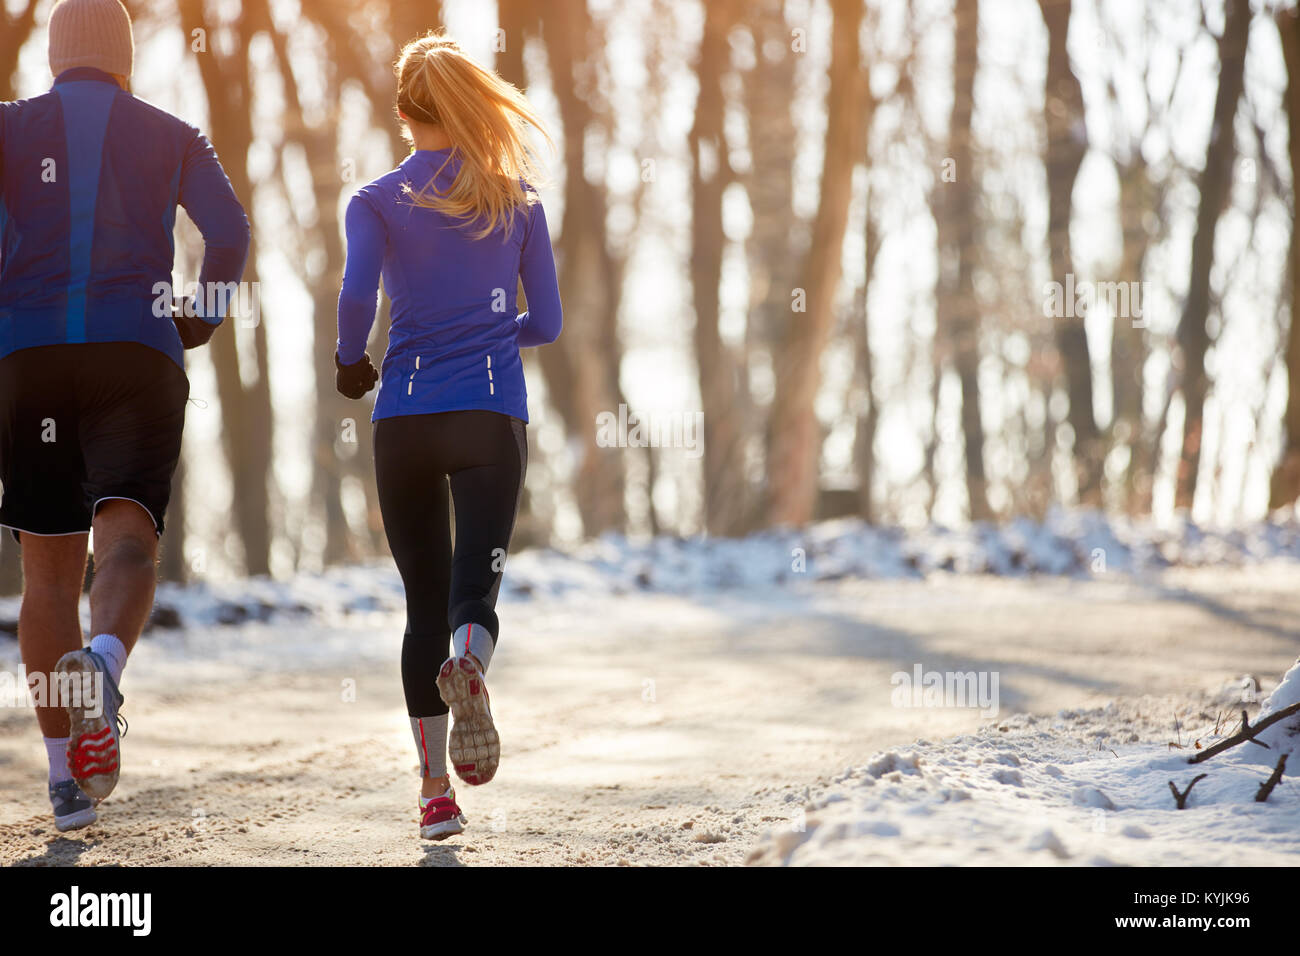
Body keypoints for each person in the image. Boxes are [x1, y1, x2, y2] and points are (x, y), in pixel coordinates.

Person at [0, 0, 250, 832]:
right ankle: (102, 669)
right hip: (135, 356)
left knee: (45, 578)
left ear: (53, 56)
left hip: (27, 360)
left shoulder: (7, 129)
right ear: (124, 59)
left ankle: (68, 781)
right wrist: (198, 319)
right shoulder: (172, 132)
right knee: (128, 538)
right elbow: (230, 232)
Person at [335, 30, 561, 841]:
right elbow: (552, 321)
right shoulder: (517, 200)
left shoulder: (373, 202)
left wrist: (348, 360)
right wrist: (492, 335)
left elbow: (356, 295)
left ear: (402, 114)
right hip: (489, 418)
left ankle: (435, 795)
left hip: (404, 418)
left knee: (419, 602)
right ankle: (470, 660)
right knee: (475, 589)